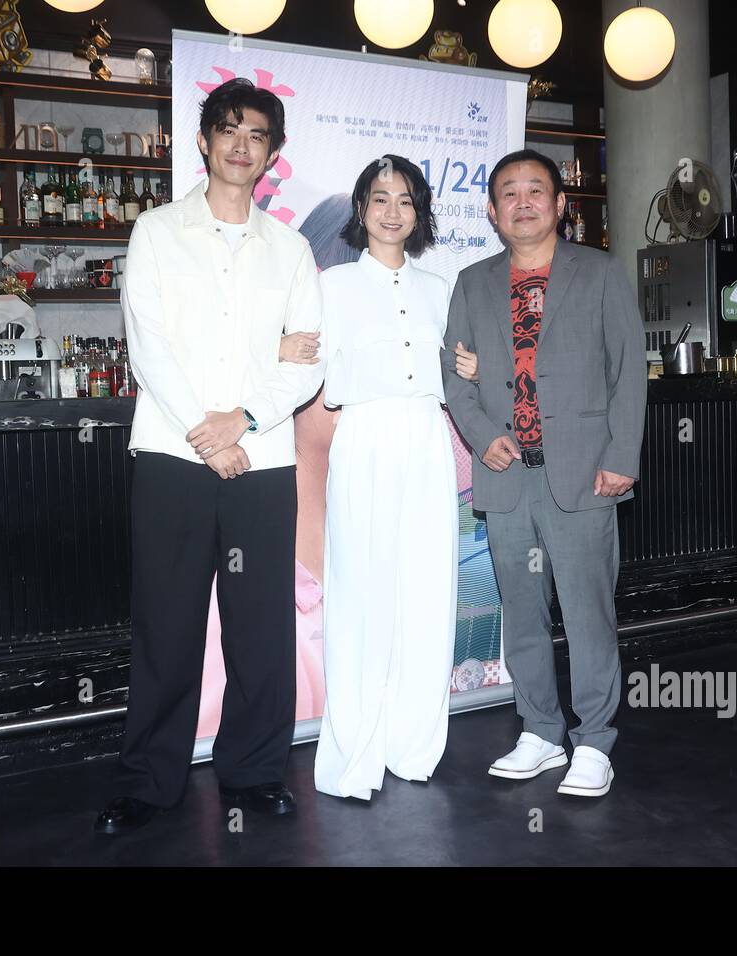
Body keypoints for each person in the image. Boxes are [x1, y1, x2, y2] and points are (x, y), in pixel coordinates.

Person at [95, 77, 325, 834]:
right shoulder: (156, 232)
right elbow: (148, 346)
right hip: (172, 457)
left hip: (261, 463)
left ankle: (256, 773)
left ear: (272, 155)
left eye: (256, 134)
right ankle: (150, 780)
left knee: (262, 624)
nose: (240, 144)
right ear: (202, 140)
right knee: (167, 622)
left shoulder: (290, 250)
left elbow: (306, 362)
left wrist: (245, 421)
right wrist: (208, 434)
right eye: (227, 129)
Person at [441, 149, 647, 798]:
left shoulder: (601, 272)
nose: (522, 202)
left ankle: (595, 742)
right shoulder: (472, 283)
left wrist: (621, 458)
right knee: (522, 614)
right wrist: (482, 436)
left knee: (587, 615)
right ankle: (539, 731)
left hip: (583, 475)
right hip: (507, 479)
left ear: (561, 205)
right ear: (492, 211)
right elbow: (455, 371)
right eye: (509, 193)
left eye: (536, 190)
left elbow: (629, 371)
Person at [312, 155, 458, 800]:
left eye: (404, 200)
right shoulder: (331, 289)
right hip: (364, 438)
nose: (392, 211)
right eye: (379, 199)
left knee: (426, 593)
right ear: (361, 211)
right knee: (361, 595)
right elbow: (303, 367)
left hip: (427, 437)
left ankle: (413, 746)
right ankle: (355, 754)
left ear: (418, 212)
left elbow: (461, 374)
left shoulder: (441, 288)